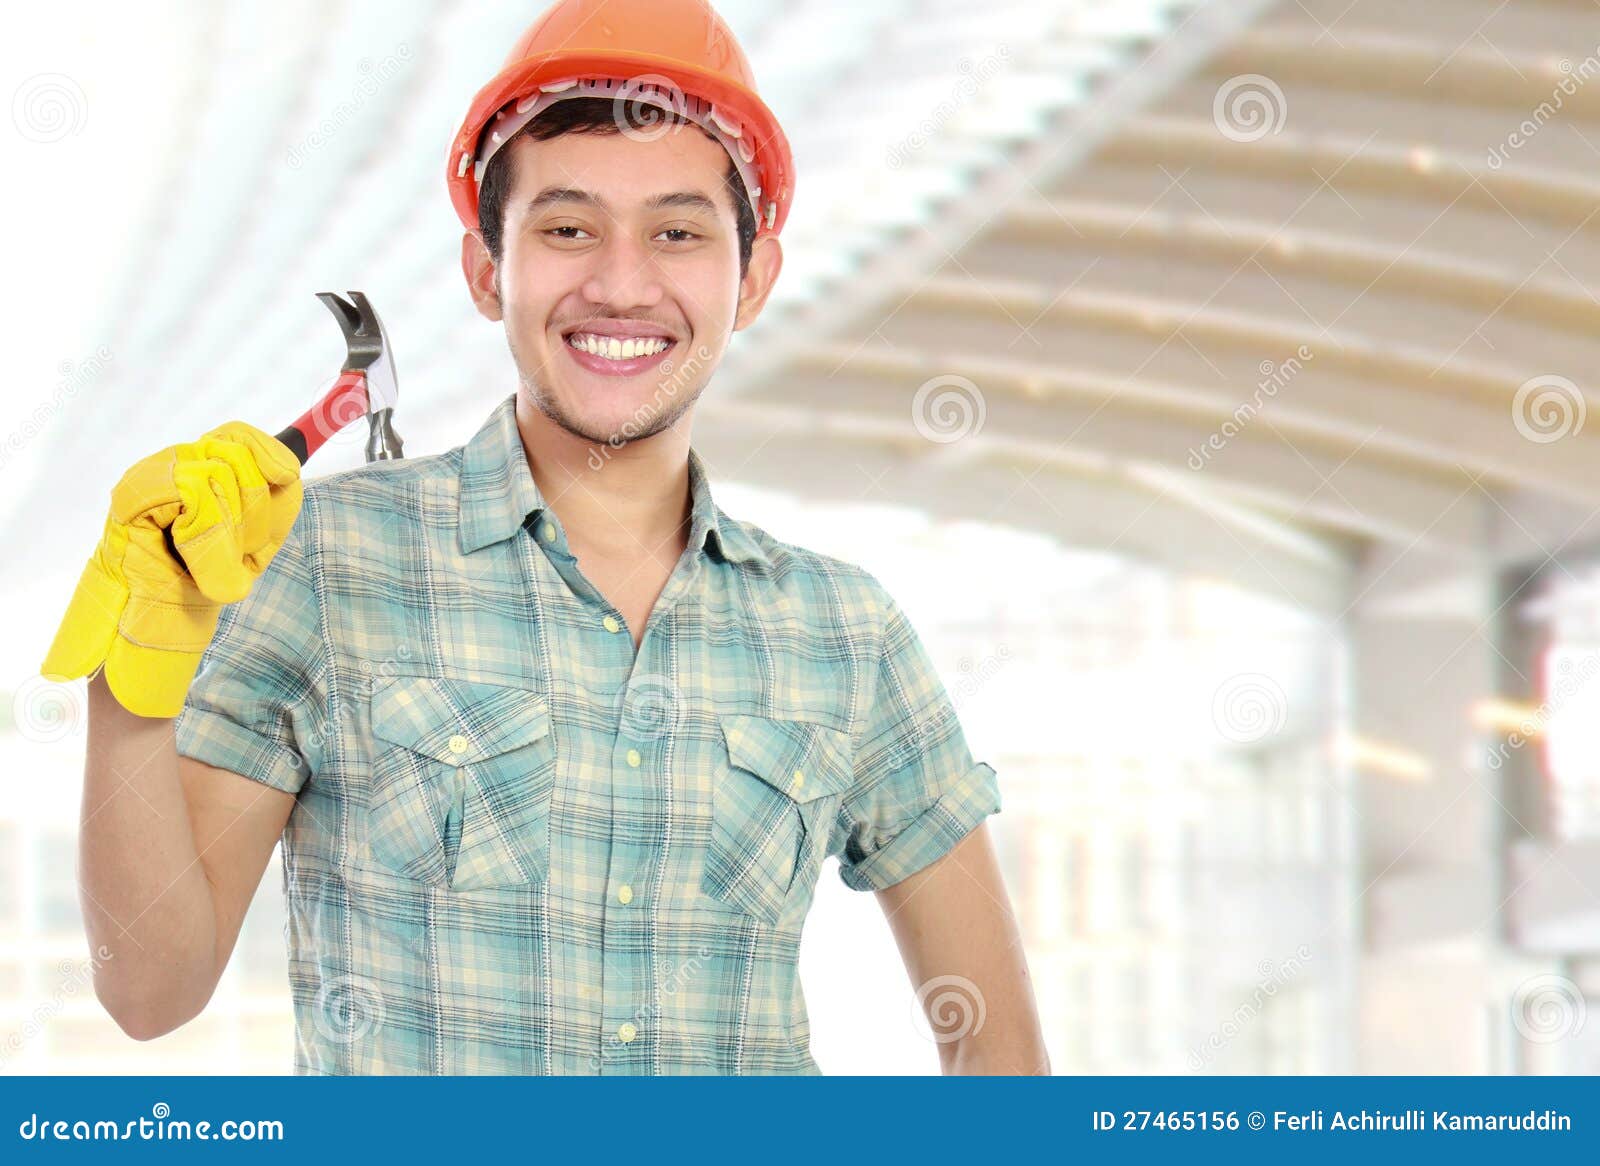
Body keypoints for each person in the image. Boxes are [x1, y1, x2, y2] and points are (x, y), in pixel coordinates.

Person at [44, 0, 1048, 1075]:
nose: (620, 283)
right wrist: (131, 693)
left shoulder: (845, 630)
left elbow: (1003, 1068)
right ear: (487, 270)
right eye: (567, 228)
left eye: (678, 231)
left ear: (751, 279)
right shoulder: (323, 566)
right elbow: (151, 991)